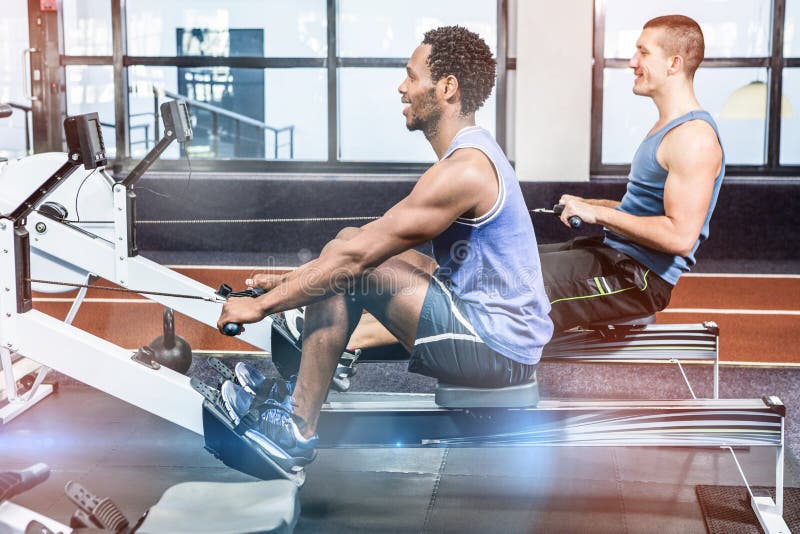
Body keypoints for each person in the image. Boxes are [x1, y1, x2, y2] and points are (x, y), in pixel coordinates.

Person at [247, 13, 725, 350]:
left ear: (674, 63)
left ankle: (348, 342)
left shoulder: (694, 138)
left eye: (643, 52)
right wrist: (590, 203)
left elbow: (681, 235)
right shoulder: (667, 130)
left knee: (505, 291)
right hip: (614, 253)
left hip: (636, 278)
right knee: (480, 268)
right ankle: (333, 319)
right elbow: (644, 209)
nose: (633, 61)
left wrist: (599, 212)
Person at [216, 26, 553, 468]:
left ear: (447, 87)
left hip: (496, 348)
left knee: (354, 267)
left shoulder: (465, 170)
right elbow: (368, 241)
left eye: (411, 77)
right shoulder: (470, 154)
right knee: (351, 240)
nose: (402, 87)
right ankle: (309, 378)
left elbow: (360, 261)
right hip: (494, 333)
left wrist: (262, 307)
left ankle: (296, 427)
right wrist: (292, 281)